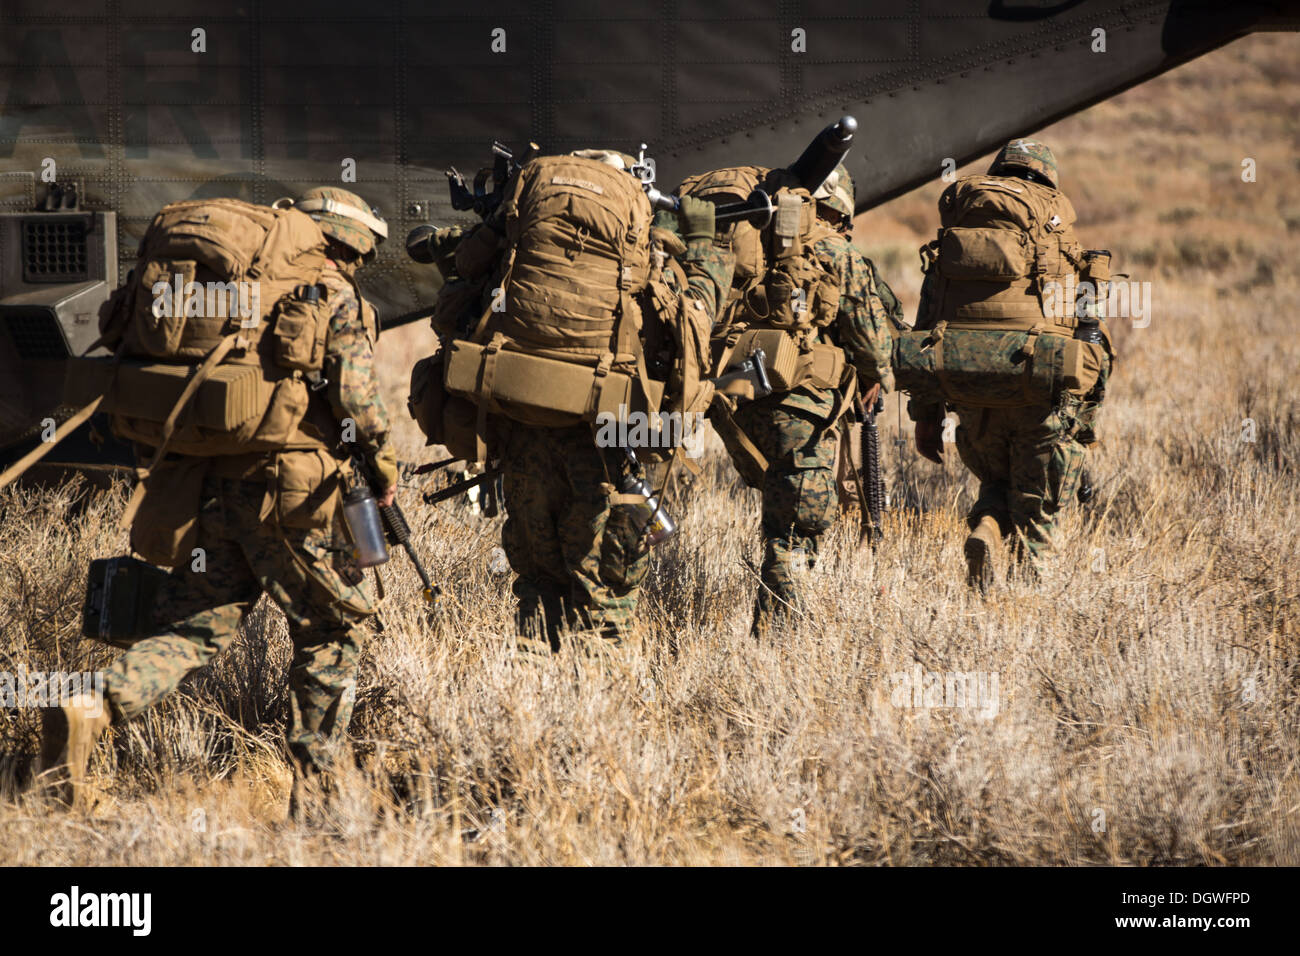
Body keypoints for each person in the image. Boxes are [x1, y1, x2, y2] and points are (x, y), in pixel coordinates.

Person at [39, 187, 397, 808]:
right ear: (351, 243)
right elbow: (359, 405)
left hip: (204, 484)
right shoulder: (330, 293)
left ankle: (94, 703)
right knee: (330, 631)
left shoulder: (242, 291)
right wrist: (385, 466)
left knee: (196, 624)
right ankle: (318, 802)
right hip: (291, 495)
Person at [695, 163, 898, 636]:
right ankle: (779, 639)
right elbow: (871, 339)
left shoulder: (751, 240)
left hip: (736, 396)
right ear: (841, 210)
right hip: (798, 400)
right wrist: (877, 376)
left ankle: (775, 624)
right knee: (797, 525)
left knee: (782, 506)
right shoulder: (835, 251)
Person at [905, 139, 1113, 587]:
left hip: (969, 390)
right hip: (1036, 393)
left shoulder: (955, 238)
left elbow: (925, 327)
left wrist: (926, 416)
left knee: (997, 482)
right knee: (1037, 510)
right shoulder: (1058, 240)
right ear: (1048, 181)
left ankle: (987, 528)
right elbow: (1088, 337)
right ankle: (1024, 603)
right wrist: (1084, 425)